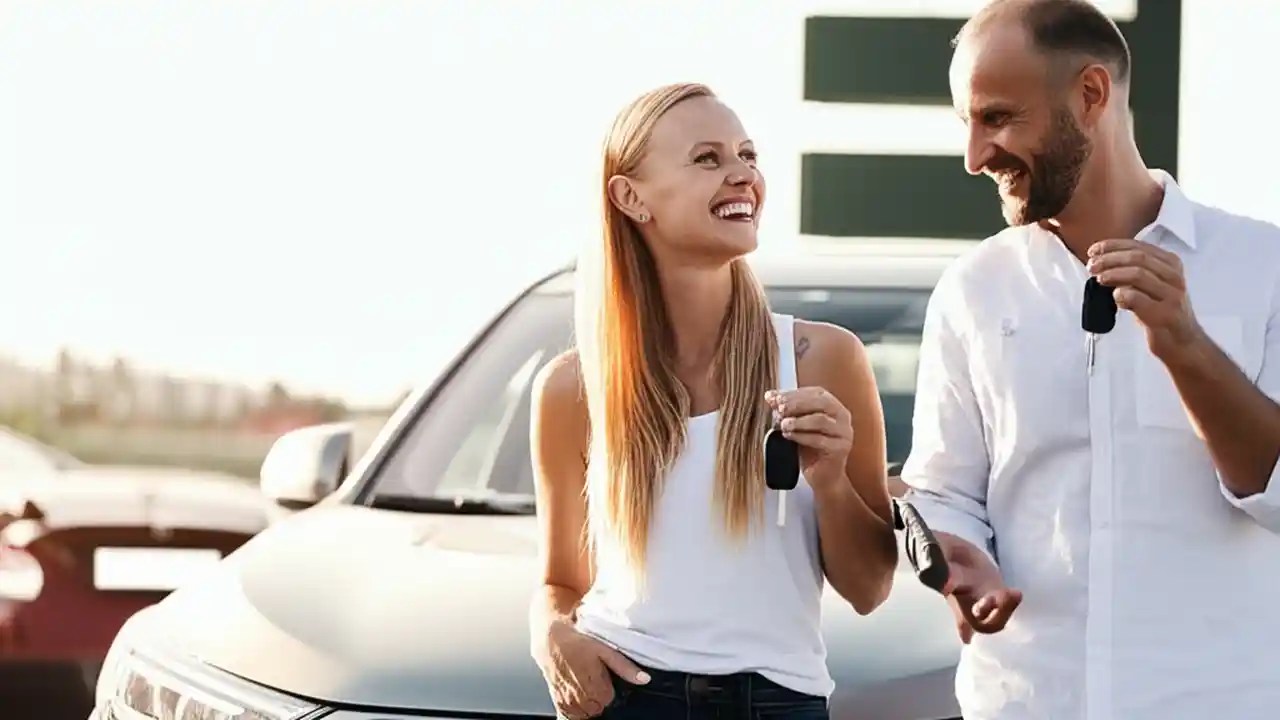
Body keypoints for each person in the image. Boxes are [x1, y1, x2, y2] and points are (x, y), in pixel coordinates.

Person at [900, 1, 1280, 718]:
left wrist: (1186, 348)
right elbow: (941, 488)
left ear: (1092, 94)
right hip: (1025, 700)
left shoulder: (1264, 266)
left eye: (998, 118)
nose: (974, 157)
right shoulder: (972, 289)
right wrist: (952, 549)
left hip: (1220, 701)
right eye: (967, 125)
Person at [527, 82, 899, 719]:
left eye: (748, 156)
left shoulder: (825, 360)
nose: (742, 176)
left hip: (778, 703)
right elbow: (561, 582)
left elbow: (869, 589)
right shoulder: (573, 389)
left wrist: (833, 482)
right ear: (630, 196)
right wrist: (551, 637)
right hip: (623, 700)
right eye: (708, 159)